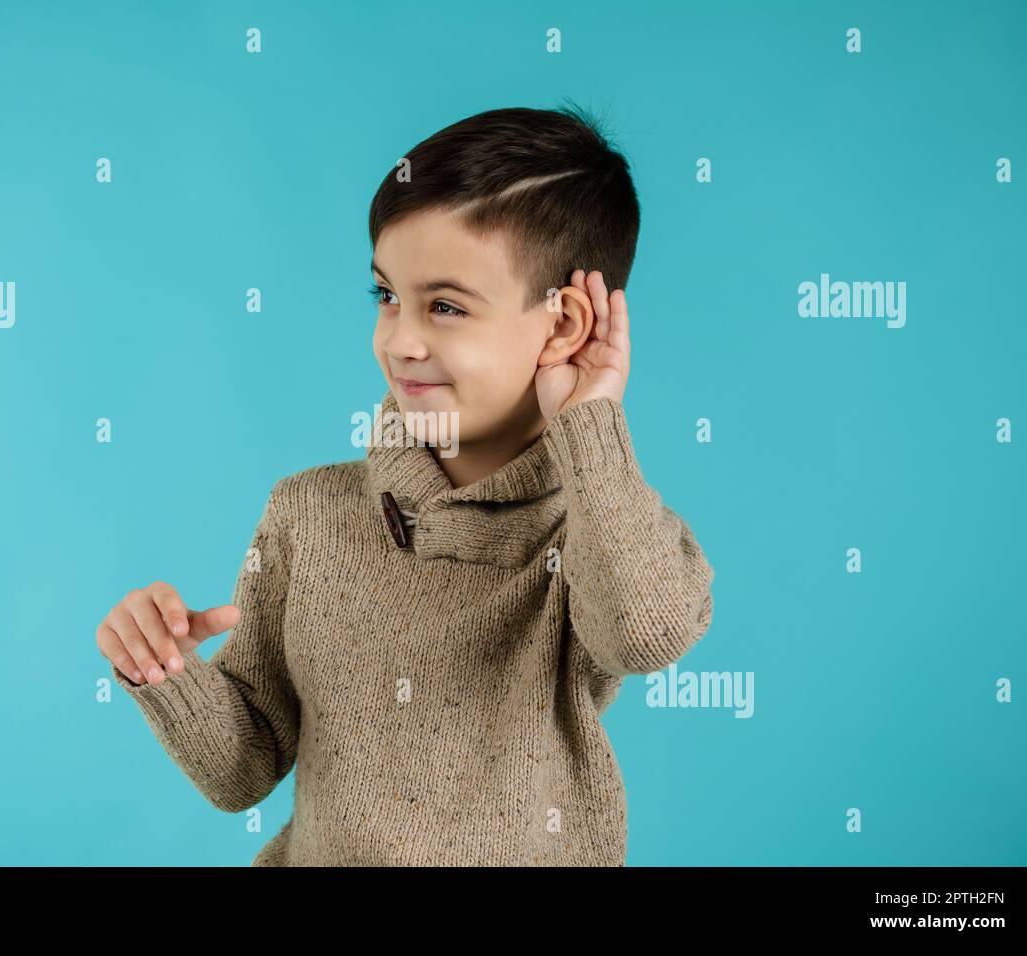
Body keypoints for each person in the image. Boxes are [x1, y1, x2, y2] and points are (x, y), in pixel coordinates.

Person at [96, 103, 715, 866]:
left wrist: (588, 424)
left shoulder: (598, 530)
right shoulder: (309, 512)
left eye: (446, 306)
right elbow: (244, 770)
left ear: (562, 326)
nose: (400, 340)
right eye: (386, 295)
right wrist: (165, 671)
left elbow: (642, 631)